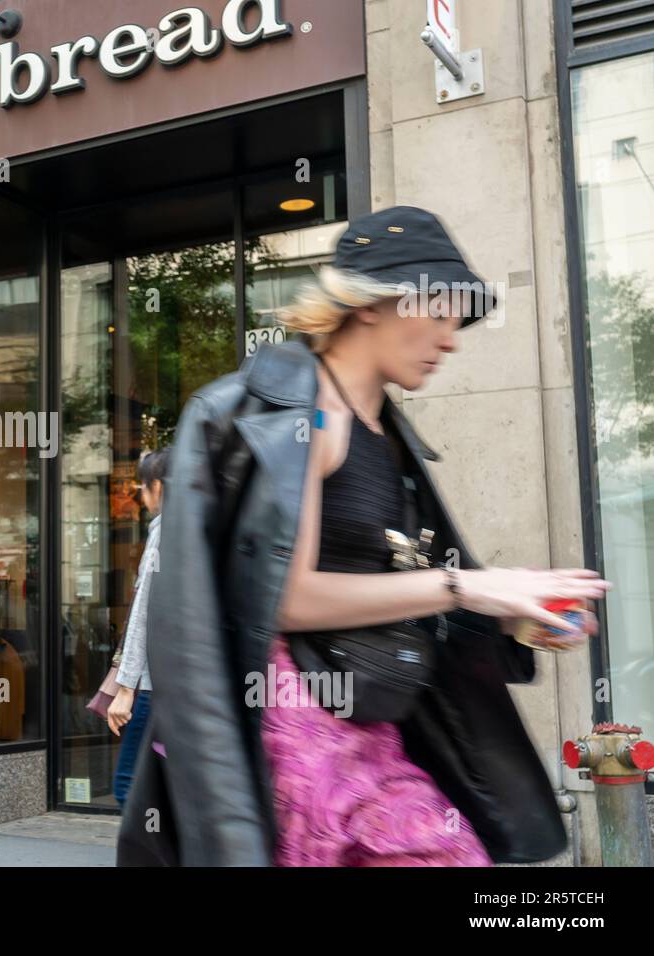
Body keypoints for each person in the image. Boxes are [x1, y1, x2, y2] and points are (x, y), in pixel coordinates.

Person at [118, 206, 611, 867]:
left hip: (372, 725)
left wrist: (516, 621)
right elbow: (288, 601)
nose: (453, 337)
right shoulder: (305, 416)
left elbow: (406, 594)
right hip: (293, 735)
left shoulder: (388, 438)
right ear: (372, 304)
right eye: (439, 310)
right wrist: (467, 586)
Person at [107, 447, 170, 807]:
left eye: (141, 486)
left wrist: (126, 687)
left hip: (151, 684)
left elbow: (145, 611)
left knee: (129, 787)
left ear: (157, 487)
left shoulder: (163, 533)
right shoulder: (201, 528)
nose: (138, 495)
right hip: (181, 684)